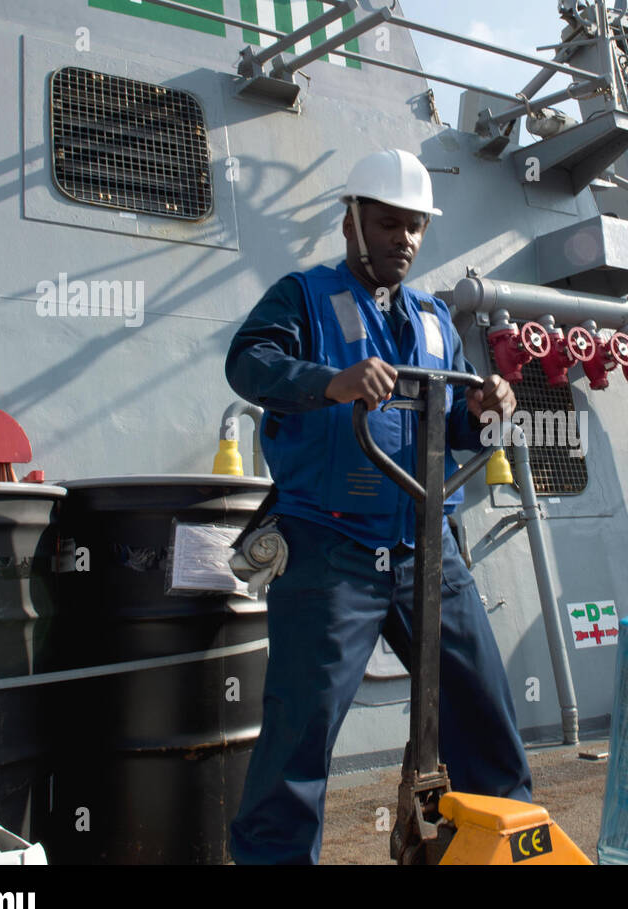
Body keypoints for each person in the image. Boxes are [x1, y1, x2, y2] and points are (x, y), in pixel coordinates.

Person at [224, 148, 533, 865]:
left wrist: (488, 409)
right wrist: (331, 381)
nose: (405, 240)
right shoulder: (301, 297)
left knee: (484, 710)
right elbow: (249, 362)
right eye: (390, 223)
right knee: (300, 730)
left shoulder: (431, 318)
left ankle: (509, 846)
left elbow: (452, 425)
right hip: (330, 550)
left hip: (429, 547)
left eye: (416, 227)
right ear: (351, 222)